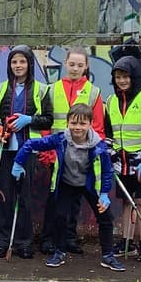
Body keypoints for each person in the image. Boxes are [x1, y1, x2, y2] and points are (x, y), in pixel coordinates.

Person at [15, 104, 123, 271]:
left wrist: (104, 194)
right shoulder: (60, 139)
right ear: (67, 123)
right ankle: (59, 252)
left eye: (82, 123)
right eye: (73, 123)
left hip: (89, 185)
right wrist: (18, 162)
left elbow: (107, 172)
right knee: (60, 217)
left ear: (90, 124)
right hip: (66, 183)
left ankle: (108, 256)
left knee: (106, 218)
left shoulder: (99, 147)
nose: (77, 127)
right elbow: (30, 144)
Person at [0, 44, 52, 259]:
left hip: (29, 152)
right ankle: (2, 241)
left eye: (22, 61)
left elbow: (48, 119)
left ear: (30, 64)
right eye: (14, 62)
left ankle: (23, 242)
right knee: (6, 196)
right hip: (7, 150)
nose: (18, 65)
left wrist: (29, 120)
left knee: (26, 198)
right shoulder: (1, 88)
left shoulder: (42, 89)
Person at [38, 47, 105, 255]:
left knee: (75, 199)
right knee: (54, 199)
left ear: (86, 67)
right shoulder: (51, 89)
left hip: (81, 155)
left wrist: (94, 153)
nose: (75, 68)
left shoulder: (94, 92)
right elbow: (45, 124)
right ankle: (48, 239)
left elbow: (98, 127)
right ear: (65, 63)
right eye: (72, 64)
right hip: (56, 155)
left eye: (80, 65)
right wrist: (47, 153)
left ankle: (69, 238)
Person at [103, 55, 141, 262]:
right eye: (118, 77)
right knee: (127, 202)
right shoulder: (110, 101)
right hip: (121, 161)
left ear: (134, 76)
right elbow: (108, 132)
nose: (122, 81)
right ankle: (127, 241)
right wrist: (109, 153)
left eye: (126, 76)